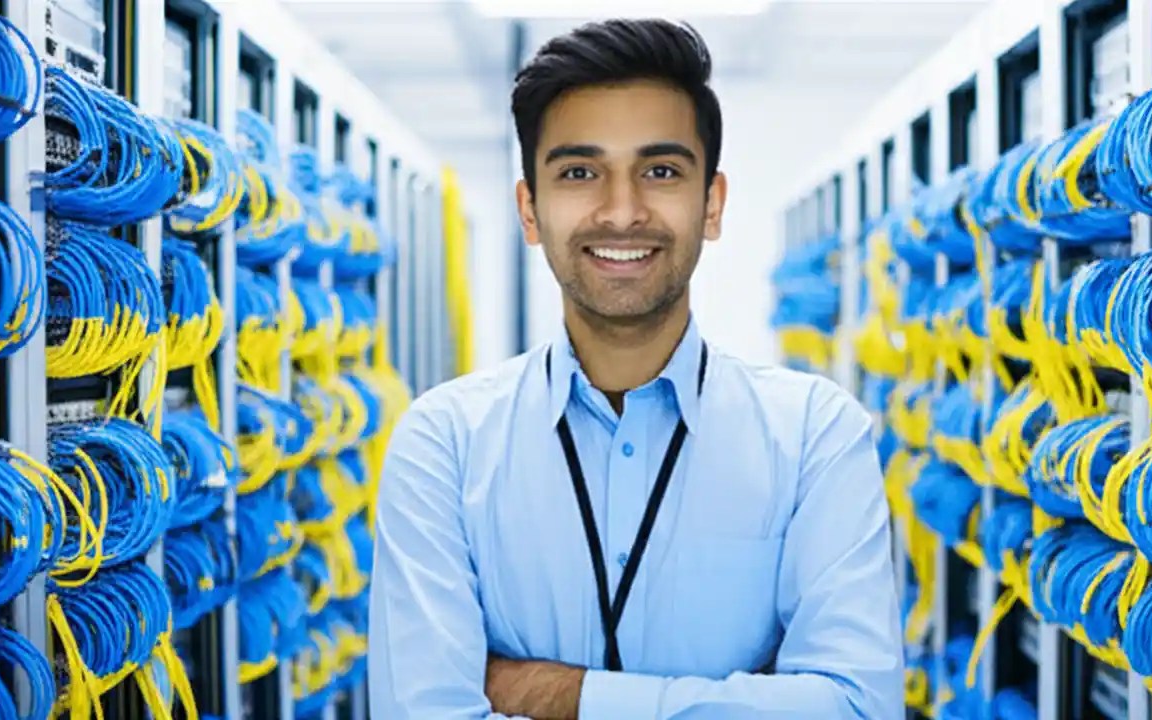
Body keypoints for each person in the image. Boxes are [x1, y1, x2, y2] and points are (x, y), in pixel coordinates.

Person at [368, 18, 903, 719]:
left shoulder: (815, 437)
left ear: (711, 203)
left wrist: (567, 693)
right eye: (580, 173)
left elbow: (858, 709)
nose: (622, 212)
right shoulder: (444, 444)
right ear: (530, 210)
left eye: (660, 171)